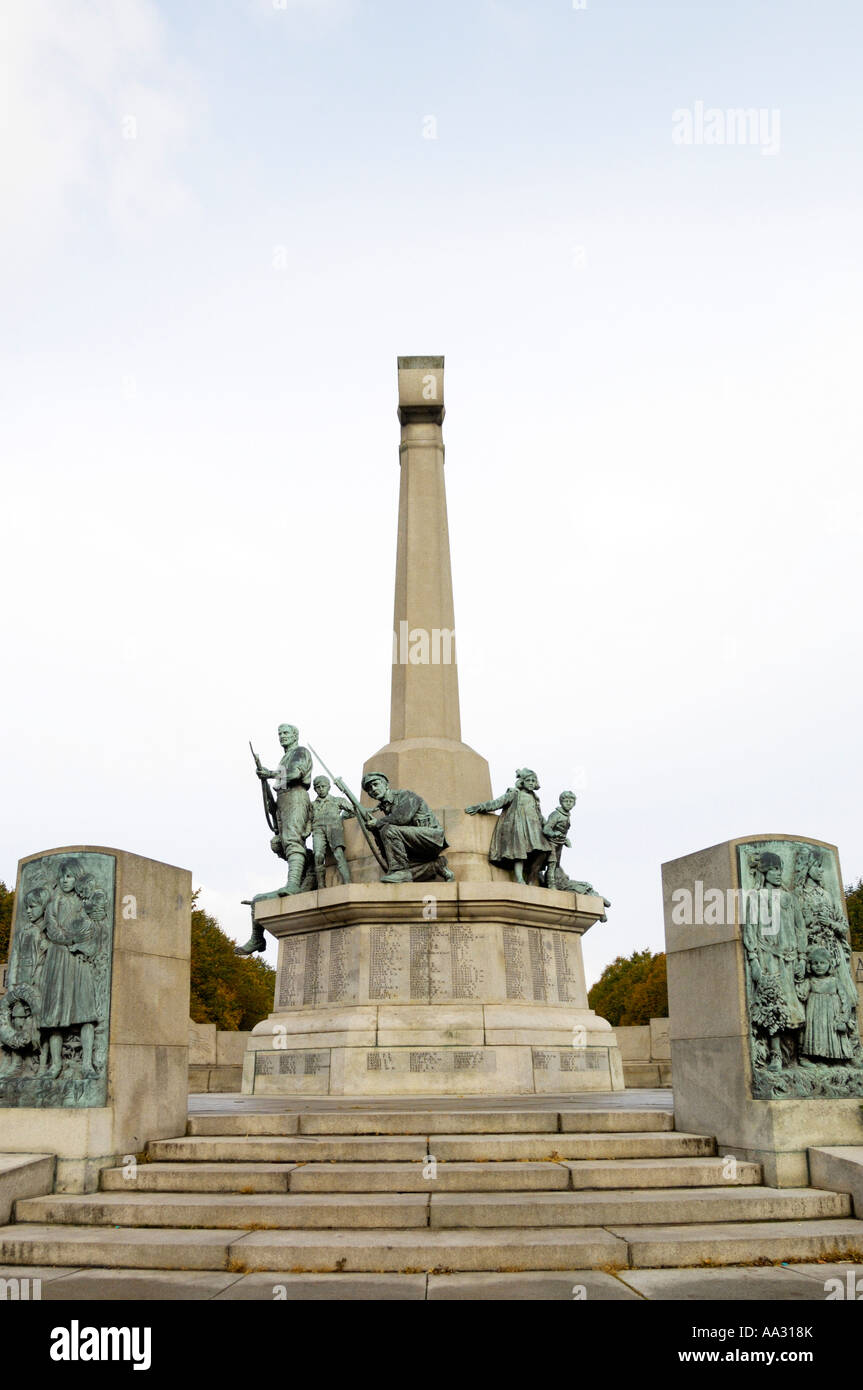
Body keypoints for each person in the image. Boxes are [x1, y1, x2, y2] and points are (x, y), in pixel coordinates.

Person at [743, 851, 806, 1071]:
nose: (778, 874)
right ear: (764, 872)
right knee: (773, 1008)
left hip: (790, 959)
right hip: (768, 957)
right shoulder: (755, 897)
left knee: (794, 1006)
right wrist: (753, 961)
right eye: (774, 870)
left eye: (780, 870)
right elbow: (749, 930)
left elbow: (800, 929)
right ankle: (775, 1055)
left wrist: (802, 957)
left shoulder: (790, 898)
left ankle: (799, 1056)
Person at [40, 858, 99, 1080]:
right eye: (62, 876)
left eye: (69, 876)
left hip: (79, 961)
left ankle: (87, 1065)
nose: (65, 881)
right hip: (57, 960)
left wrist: (80, 942)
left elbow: (91, 929)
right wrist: (70, 938)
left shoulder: (85, 902)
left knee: (85, 1013)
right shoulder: (53, 903)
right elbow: (53, 930)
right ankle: (55, 1066)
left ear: (77, 878)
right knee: (55, 1016)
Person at [361, 772, 454, 883]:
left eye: (376, 784)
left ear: (386, 784)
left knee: (389, 830)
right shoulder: (383, 806)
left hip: (432, 838)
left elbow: (402, 818)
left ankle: (400, 871)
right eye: (369, 789)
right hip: (413, 842)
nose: (373, 789)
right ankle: (435, 866)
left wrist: (378, 823)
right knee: (389, 854)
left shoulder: (406, 795)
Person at [466, 768, 550, 885]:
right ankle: (520, 878)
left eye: (533, 780)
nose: (531, 783)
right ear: (522, 782)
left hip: (534, 830)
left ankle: (532, 878)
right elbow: (497, 803)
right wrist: (479, 807)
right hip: (519, 828)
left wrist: (549, 827)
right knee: (519, 853)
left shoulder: (534, 798)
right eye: (528, 780)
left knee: (543, 852)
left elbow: (540, 816)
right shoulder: (514, 793)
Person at [798, 947, 854, 1065]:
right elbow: (801, 995)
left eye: (823, 963)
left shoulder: (834, 981)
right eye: (815, 963)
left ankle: (836, 1058)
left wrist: (843, 1018)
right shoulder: (810, 981)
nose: (819, 966)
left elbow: (845, 1000)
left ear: (829, 964)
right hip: (815, 1016)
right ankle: (818, 1058)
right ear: (810, 965)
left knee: (833, 1035)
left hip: (832, 1015)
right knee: (817, 1035)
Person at [311, 775, 354, 887]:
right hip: (318, 830)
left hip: (334, 828)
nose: (321, 789)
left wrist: (343, 817)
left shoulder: (337, 800)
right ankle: (321, 885)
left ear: (329, 787)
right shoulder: (312, 805)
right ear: (315, 789)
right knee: (318, 856)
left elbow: (354, 810)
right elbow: (307, 820)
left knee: (339, 854)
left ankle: (347, 881)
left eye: (323, 786)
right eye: (318, 787)